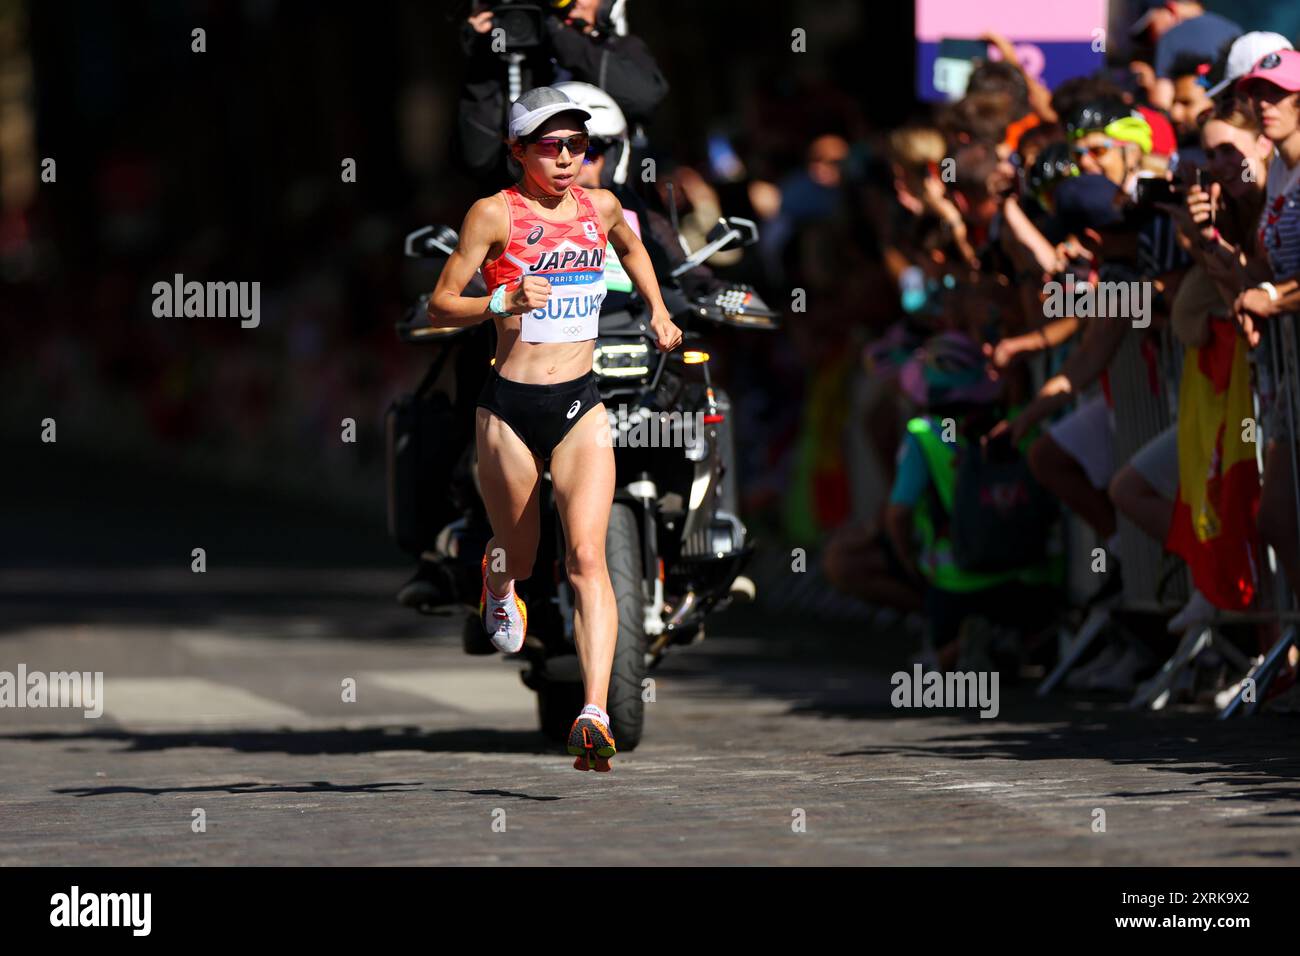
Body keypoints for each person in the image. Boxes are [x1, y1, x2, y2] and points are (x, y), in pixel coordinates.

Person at [429, 86, 682, 771]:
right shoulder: (492, 215)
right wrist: (501, 298)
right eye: (554, 146)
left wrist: (658, 310)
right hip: (510, 408)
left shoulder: (601, 208)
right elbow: (442, 300)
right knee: (520, 550)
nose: (570, 157)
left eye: (581, 145)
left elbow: (634, 248)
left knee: (587, 559)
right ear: (518, 152)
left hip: (581, 404)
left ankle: (594, 711)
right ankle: (496, 579)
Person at [457, 0, 668, 187]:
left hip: (615, 206)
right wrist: (483, 59)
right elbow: (479, 158)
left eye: (586, 152)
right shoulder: (520, 65)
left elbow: (642, 98)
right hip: (535, 216)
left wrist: (553, 28)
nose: (571, 5)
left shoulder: (622, 49)